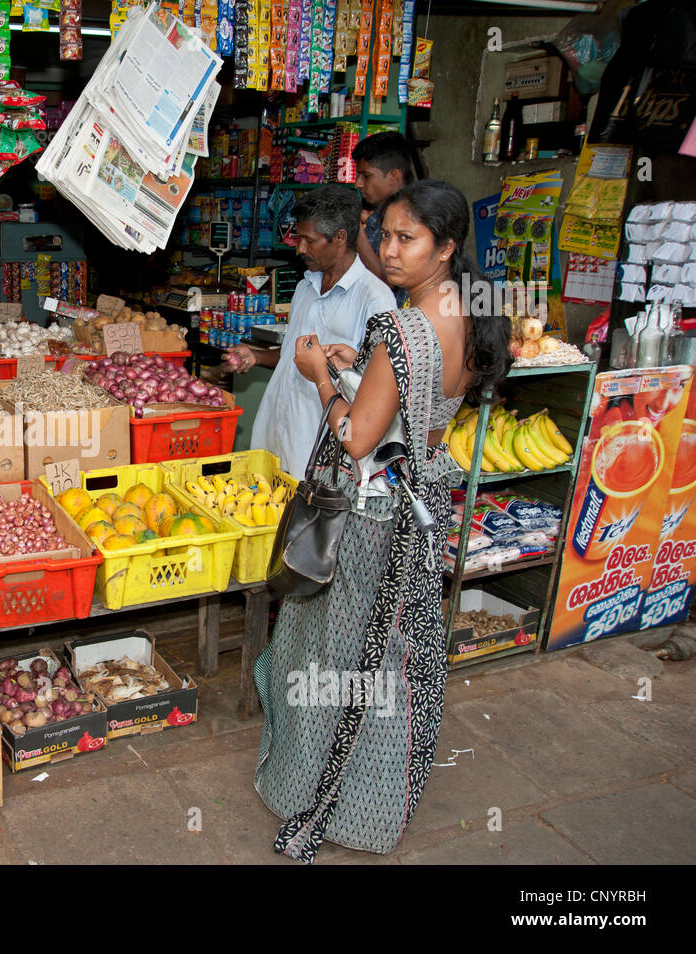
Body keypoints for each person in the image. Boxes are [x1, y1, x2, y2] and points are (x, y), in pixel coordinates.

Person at [253, 179, 511, 862]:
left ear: (445, 245)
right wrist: (359, 366)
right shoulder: (467, 312)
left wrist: (319, 375)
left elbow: (358, 438)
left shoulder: (400, 327)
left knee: (330, 657)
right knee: (389, 660)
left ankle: (316, 787)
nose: (389, 252)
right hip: (421, 504)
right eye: (386, 235)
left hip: (369, 515)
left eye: (408, 239)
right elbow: (418, 403)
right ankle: (376, 791)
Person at [224, 185, 395, 476]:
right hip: (274, 432)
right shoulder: (306, 286)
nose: (300, 248)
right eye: (299, 237)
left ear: (340, 237)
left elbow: (378, 386)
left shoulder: (374, 299)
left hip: (319, 449)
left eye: (309, 240)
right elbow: (294, 353)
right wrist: (255, 356)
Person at [352, 131, 418, 286]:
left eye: (366, 176)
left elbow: (386, 282)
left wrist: (355, 230)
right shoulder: (377, 214)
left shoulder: (413, 217)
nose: (358, 184)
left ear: (394, 176)